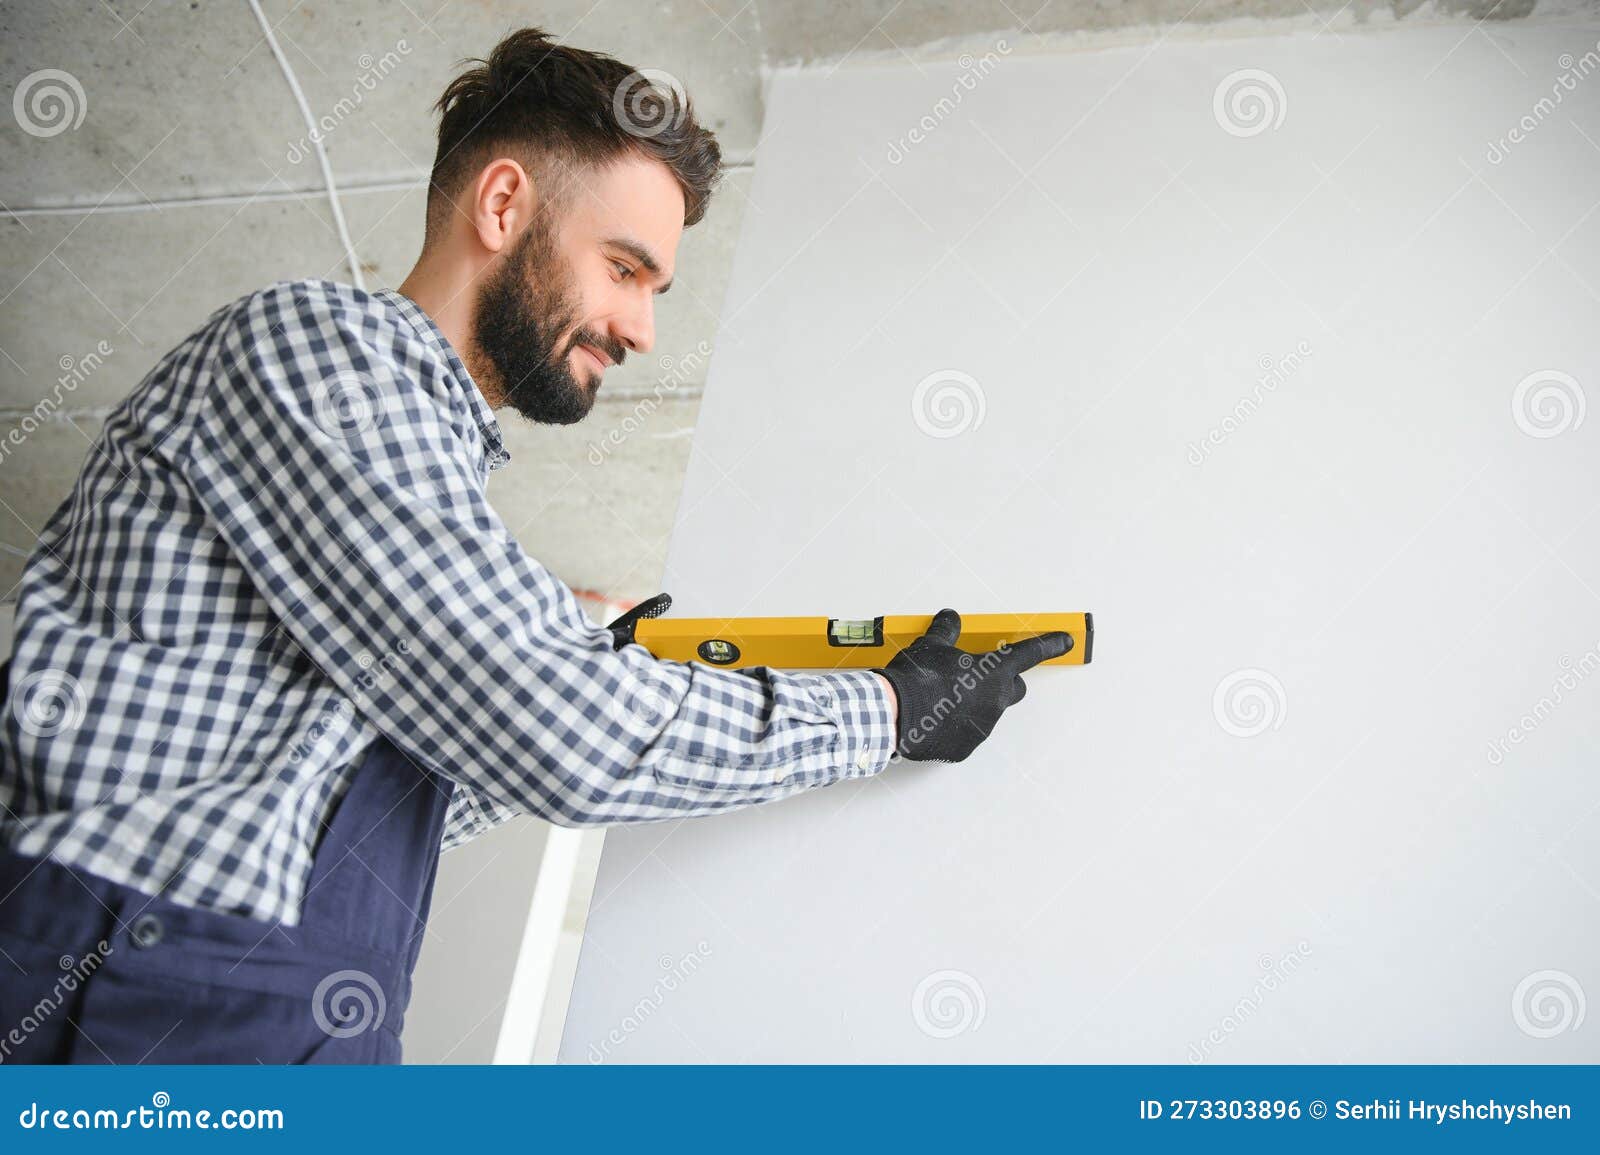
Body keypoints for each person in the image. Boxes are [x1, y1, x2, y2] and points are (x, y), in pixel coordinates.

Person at [0, 27, 1068, 1064]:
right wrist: (883, 709)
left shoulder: (418, 506)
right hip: (126, 1001)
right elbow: (558, 738)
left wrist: (590, 670)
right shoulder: (316, 349)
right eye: (624, 267)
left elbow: (376, 800)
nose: (643, 328)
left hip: (299, 1027)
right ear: (504, 204)